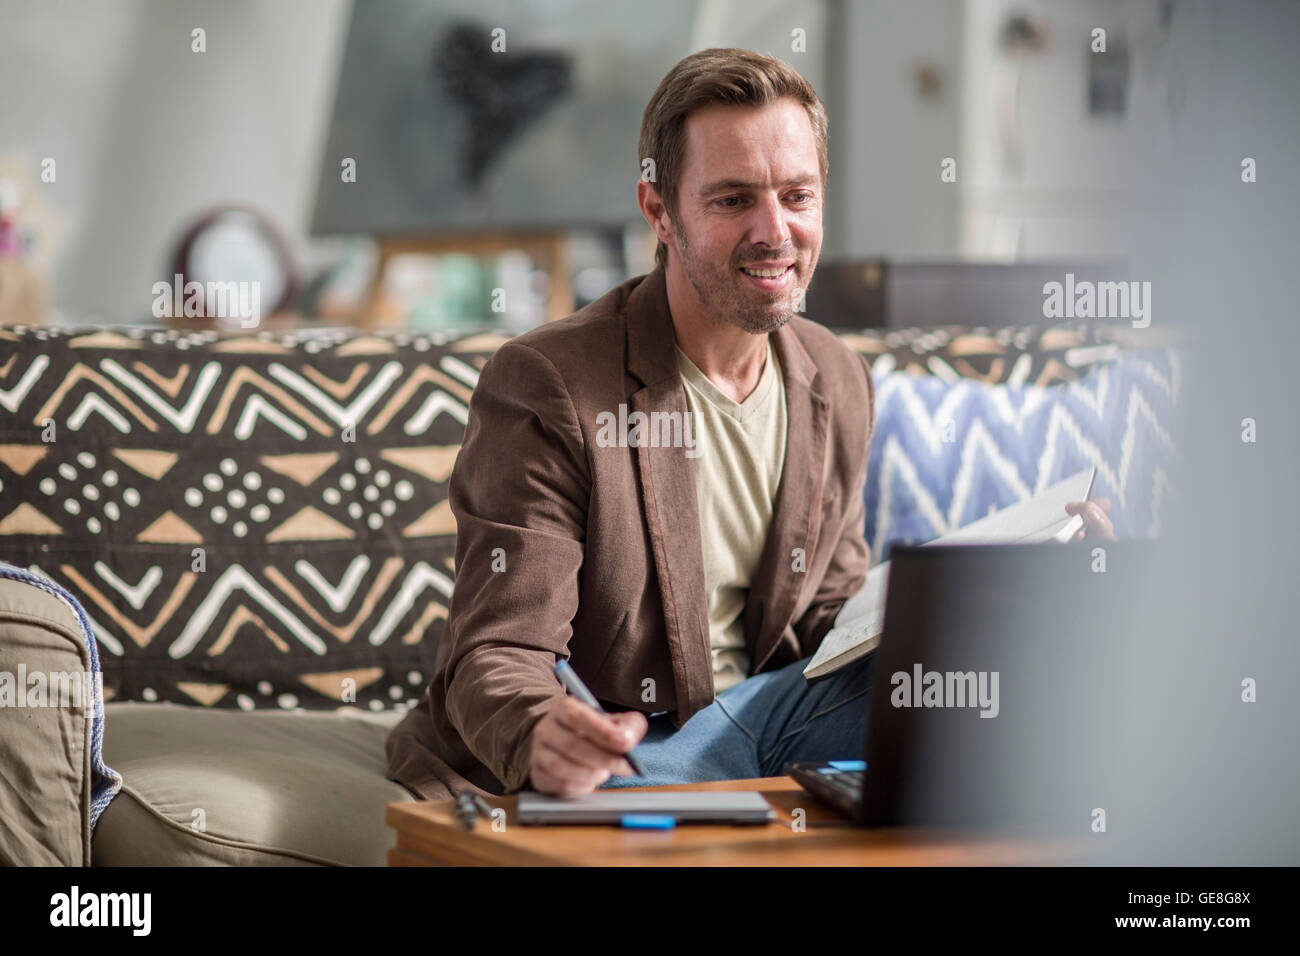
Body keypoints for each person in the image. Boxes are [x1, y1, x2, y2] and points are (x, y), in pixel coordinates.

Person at [385, 48, 1113, 801]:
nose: (775, 232)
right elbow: (499, 649)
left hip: (770, 722)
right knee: (627, 792)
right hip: (636, 741)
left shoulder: (837, 377)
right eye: (732, 201)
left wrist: (1013, 594)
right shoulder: (551, 384)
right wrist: (542, 731)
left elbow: (829, 622)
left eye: (797, 196)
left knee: (1005, 693)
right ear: (660, 211)